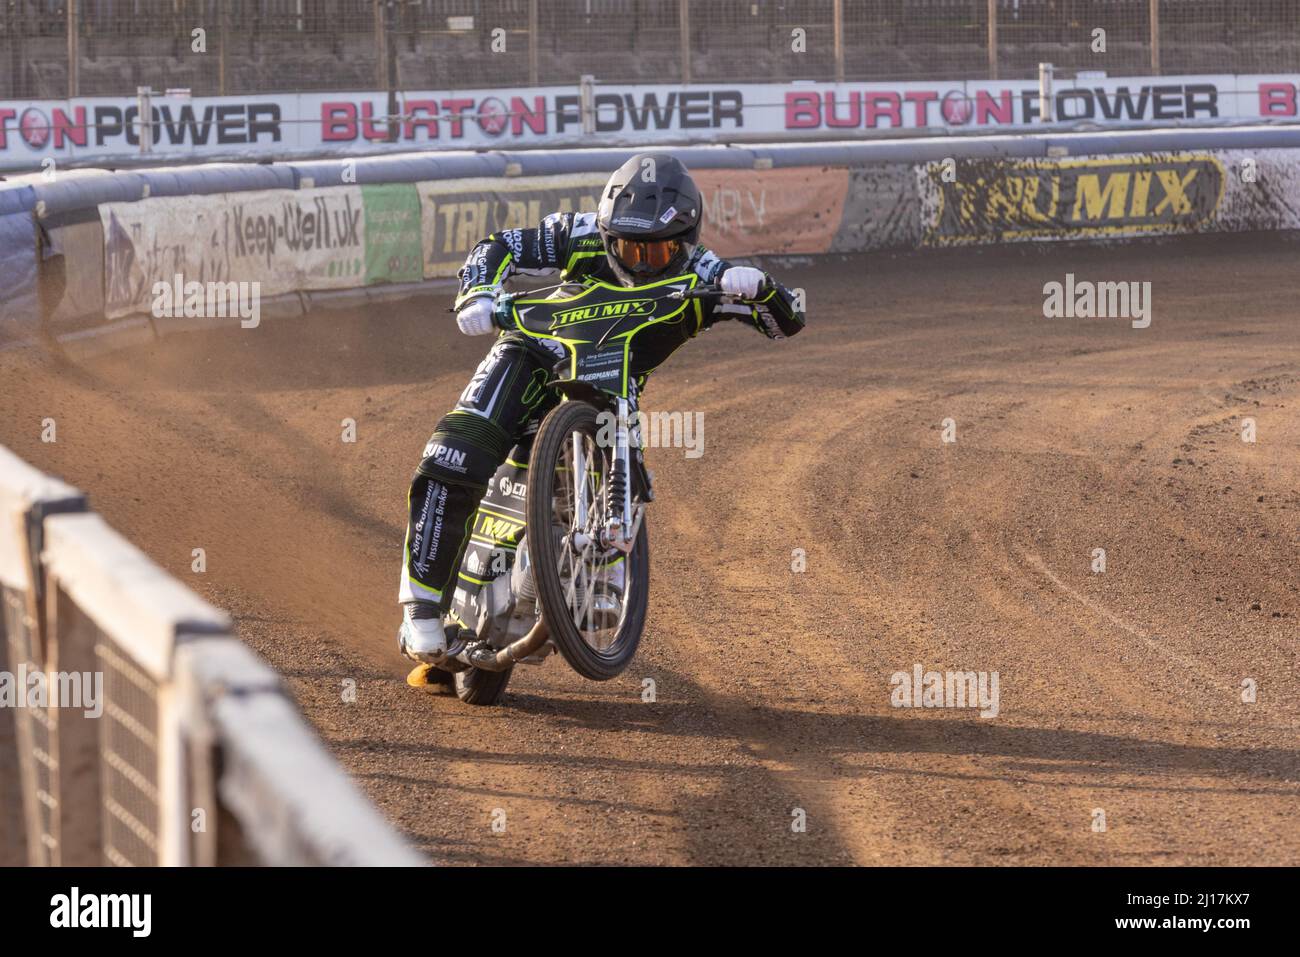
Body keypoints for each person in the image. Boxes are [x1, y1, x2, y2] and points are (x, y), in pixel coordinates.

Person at [398, 152, 806, 662]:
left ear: (686, 241)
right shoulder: (579, 233)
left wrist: (761, 287)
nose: (637, 261)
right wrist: (476, 293)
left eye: (653, 254)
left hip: (609, 383)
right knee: (452, 452)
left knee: (615, 433)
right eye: (626, 246)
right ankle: (422, 610)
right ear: (607, 231)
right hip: (531, 351)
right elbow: (498, 245)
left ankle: (604, 567)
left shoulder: (705, 272)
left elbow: (786, 320)